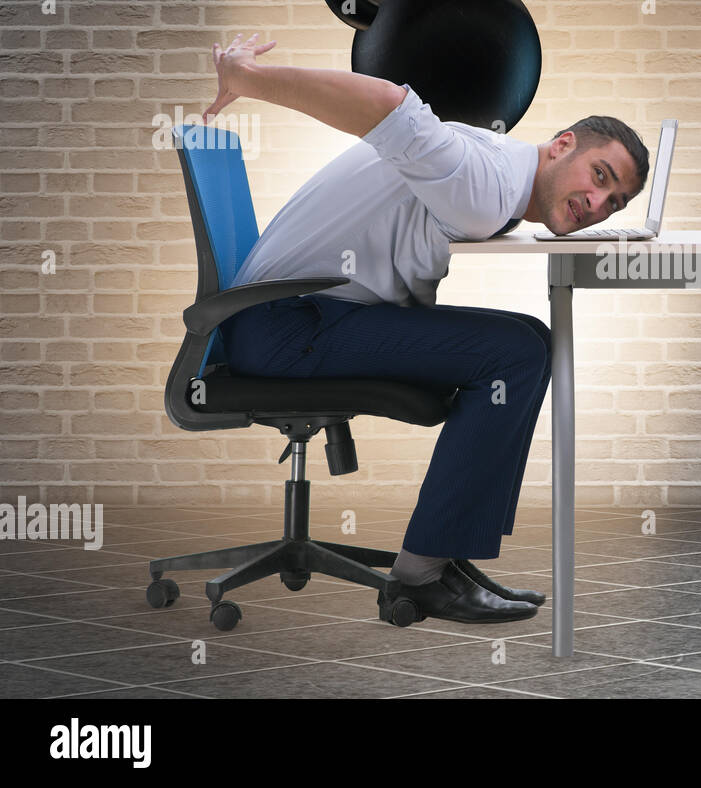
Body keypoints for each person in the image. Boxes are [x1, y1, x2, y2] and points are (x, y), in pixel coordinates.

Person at [203, 32, 650, 624]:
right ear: (562, 145)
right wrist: (250, 80)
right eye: (598, 175)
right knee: (517, 352)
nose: (597, 203)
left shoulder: (493, 165)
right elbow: (390, 106)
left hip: (292, 317)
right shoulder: (486, 183)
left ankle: (443, 559)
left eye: (615, 202)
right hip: (287, 328)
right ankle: (421, 574)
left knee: (528, 342)